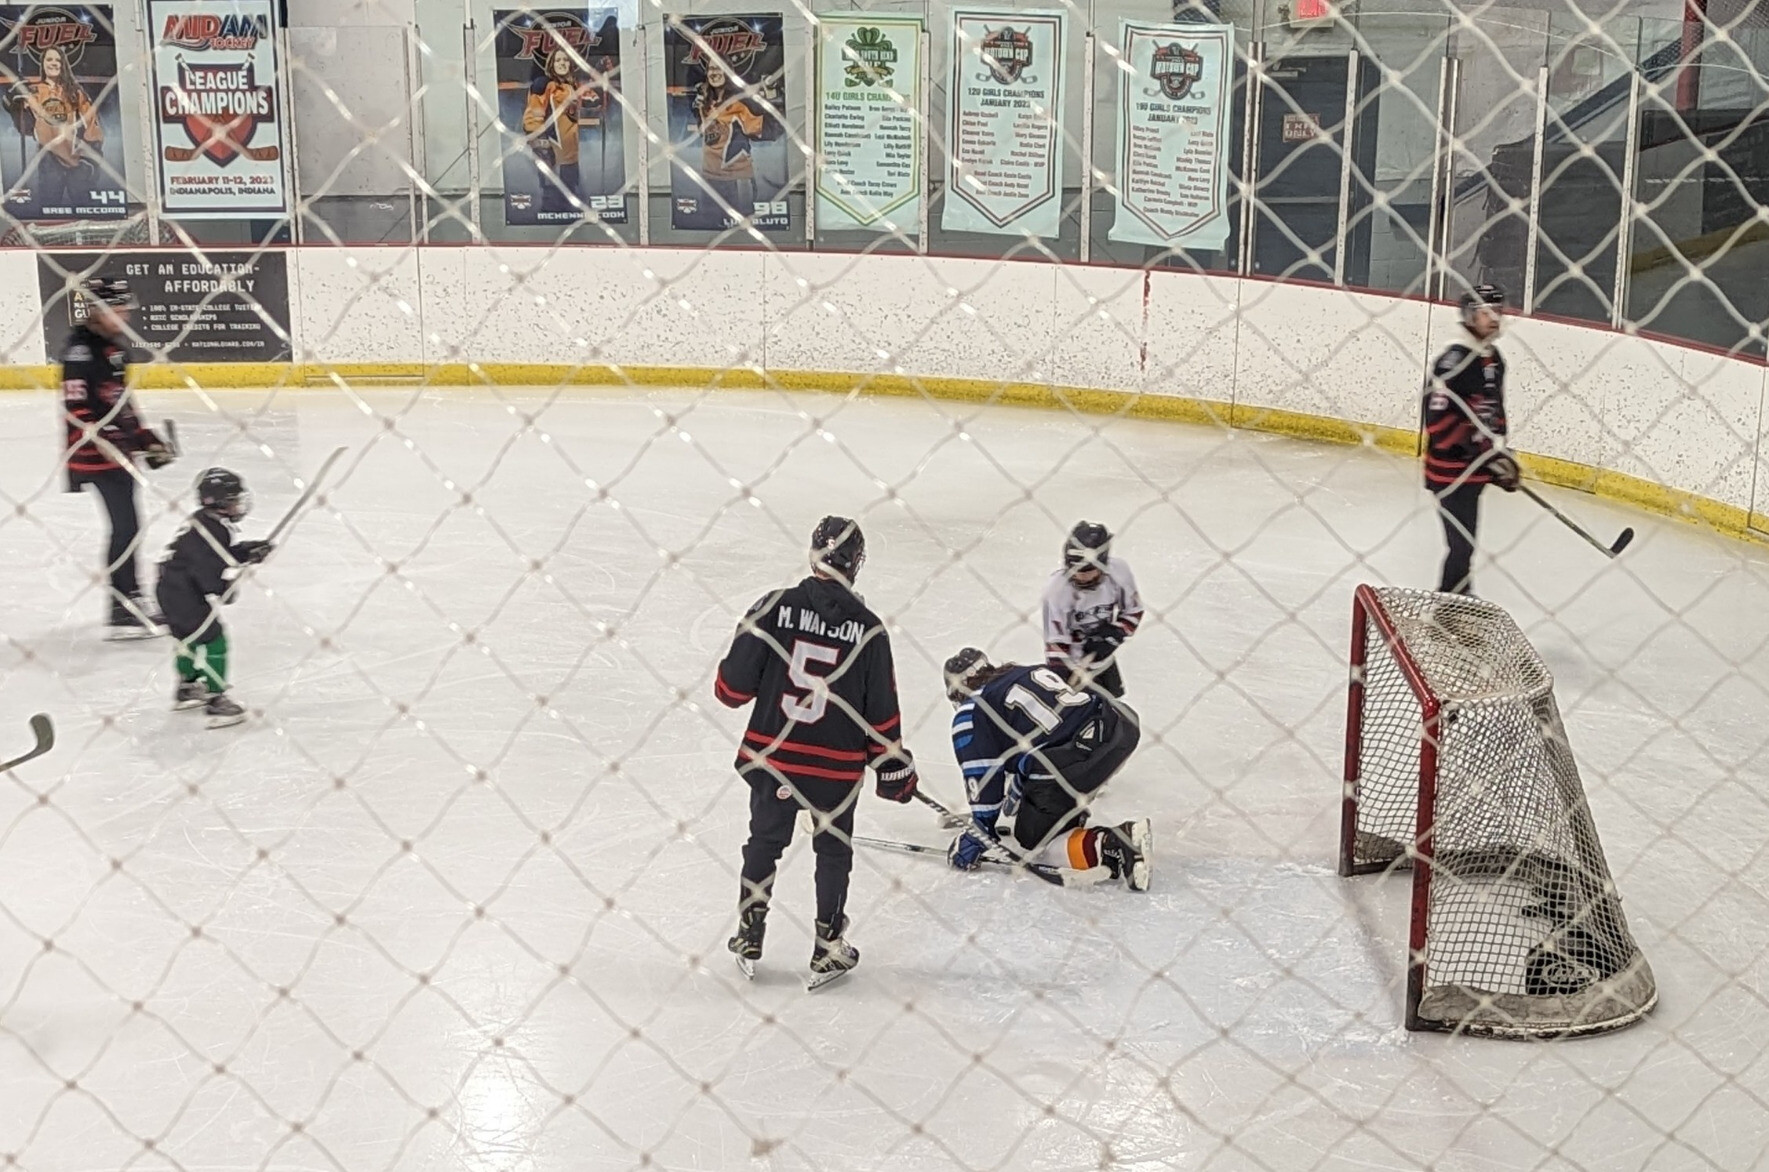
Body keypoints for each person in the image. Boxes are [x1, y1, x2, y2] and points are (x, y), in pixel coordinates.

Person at [714, 516, 918, 988]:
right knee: (833, 851)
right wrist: (893, 768)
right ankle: (827, 948)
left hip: (776, 756)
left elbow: (730, 690)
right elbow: (880, 713)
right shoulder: (869, 630)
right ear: (858, 563)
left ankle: (749, 933)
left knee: (764, 842)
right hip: (835, 769)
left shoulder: (774, 606)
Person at [942, 648, 1150, 891]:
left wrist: (980, 832)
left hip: (1081, 755)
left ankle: (1117, 844)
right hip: (1118, 723)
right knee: (1040, 779)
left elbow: (983, 775)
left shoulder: (971, 711)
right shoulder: (1021, 672)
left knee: (1034, 839)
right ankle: (1070, 805)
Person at [60, 276, 174, 639]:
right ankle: (123, 608)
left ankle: (128, 600)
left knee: (129, 526)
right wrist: (107, 439)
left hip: (117, 455)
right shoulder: (79, 352)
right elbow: (77, 407)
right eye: (116, 309)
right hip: (96, 456)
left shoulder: (115, 349)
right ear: (96, 310)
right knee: (125, 526)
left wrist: (144, 437)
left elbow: (121, 403)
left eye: (125, 308)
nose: (123, 315)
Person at [155, 468, 273, 729]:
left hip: (170, 589)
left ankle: (187, 688)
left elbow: (215, 555)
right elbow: (205, 567)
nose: (238, 504)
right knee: (215, 639)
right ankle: (216, 699)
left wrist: (247, 551)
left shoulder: (204, 522)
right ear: (218, 502)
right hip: (185, 593)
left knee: (188, 639)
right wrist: (223, 588)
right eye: (233, 499)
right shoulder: (213, 530)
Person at [1424, 284, 1520, 596]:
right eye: (1486, 312)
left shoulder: (1494, 359)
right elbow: (1437, 421)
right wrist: (1471, 448)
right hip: (1449, 473)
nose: (1494, 318)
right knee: (1461, 545)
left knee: (1466, 544)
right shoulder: (1453, 362)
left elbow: (1496, 412)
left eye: (1498, 311)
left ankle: (1456, 600)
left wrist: (1500, 457)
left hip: (1473, 472)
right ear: (1469, 316)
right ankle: (1449, 604)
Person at [1042, 521, 1144, 699]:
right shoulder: (1057, 589)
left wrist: (1113, 634)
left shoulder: (1118, 572)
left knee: (1114, 711)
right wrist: (1061, 681)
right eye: (1074, 569)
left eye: (1087, 570)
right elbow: (1056, 644)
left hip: (1102, 661)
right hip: (1073, 666)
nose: (1080, 575)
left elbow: (1134, 611)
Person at [5, 45, 103, 214]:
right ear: (42, 63)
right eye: (49, 59)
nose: (54, 63)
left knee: (87, 211)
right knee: (48, 211)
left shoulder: (75, 91)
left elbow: (92, 123)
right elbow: (24, 124)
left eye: (58, 60)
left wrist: (90, 157)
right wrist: (13, 98)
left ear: (64, 64)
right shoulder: (34, 91)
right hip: (49, 158)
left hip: (76, 161)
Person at [522, 45, 593, 215]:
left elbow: (591, 99)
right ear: (551, 64)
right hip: (552, 151)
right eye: (558, 60)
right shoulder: (544, 84)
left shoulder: (573, 85)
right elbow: (532, 116)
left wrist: (594, 101)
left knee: (571, 199)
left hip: (571, 154)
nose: (562, 63)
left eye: (565, 60)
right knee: (552, 202)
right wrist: (540, 141)